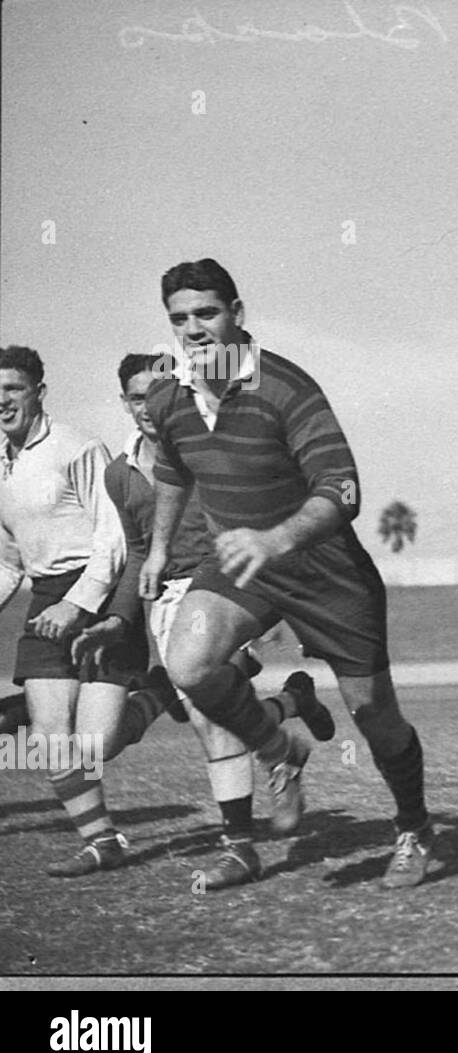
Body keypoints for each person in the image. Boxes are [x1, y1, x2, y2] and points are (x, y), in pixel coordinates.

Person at [139, 260, 434, 888]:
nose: (194, 330)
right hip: (243, 564)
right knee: (187, 665)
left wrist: (277, 537)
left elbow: (343, 489)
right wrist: (160, 550)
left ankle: (414, 830)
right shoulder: (167, 394)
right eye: (180, 319)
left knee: (374, 714)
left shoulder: (286, 387)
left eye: (207, 314)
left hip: (326, 571)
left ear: (237, 314)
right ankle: (281, 749)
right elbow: (172, 470)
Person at [69, 352, 336, 889]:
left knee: (210, 719)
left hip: (222, 591)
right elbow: (140, 552)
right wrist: (120, 619)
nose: (149, 407)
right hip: (164, 603)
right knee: (195, 713)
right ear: (126, 403)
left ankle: (240, 848)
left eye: (158, 393)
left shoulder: (204, 447)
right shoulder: (120, 474)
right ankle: (287, 714)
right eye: (138, 397)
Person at [0, 346, 134, 876]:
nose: (0, 399)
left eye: (12, 388)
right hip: (44, 598)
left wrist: (78, 605)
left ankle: (155, 692)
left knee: (95, 744)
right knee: (53, 740)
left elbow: (115, 536)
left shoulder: (78, 446)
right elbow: (10, 560)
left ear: (38, 393)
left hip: (100, 595)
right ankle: (103, 842)